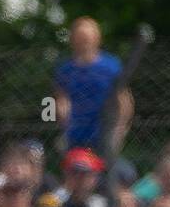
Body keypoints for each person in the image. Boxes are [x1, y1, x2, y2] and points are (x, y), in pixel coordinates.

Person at [54, 17, 132, 153]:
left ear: (97, 39)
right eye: (79, 38)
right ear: (72, 40)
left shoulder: (112, 66)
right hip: (75, 133)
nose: (84, 42)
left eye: (87, 38)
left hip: (105, 131)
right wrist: (63, 127)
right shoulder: (65, 70)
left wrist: (120, 130)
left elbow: (124, 100)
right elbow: (60, 100)